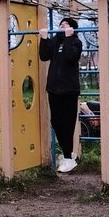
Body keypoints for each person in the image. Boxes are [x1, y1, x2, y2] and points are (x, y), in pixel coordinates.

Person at [39, 17, 83, 173]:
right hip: (54, 88)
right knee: (56, 121)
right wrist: (44, 39)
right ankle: (68, 153)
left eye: (66, 25)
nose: (62, 26)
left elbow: (71, 57)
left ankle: (68, 158)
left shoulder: (76, 42)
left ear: (72, 29)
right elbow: (44, 56)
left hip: (69, 90)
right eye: (61, 24)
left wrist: (70, 37)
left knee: (68, 123)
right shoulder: (56, 41)